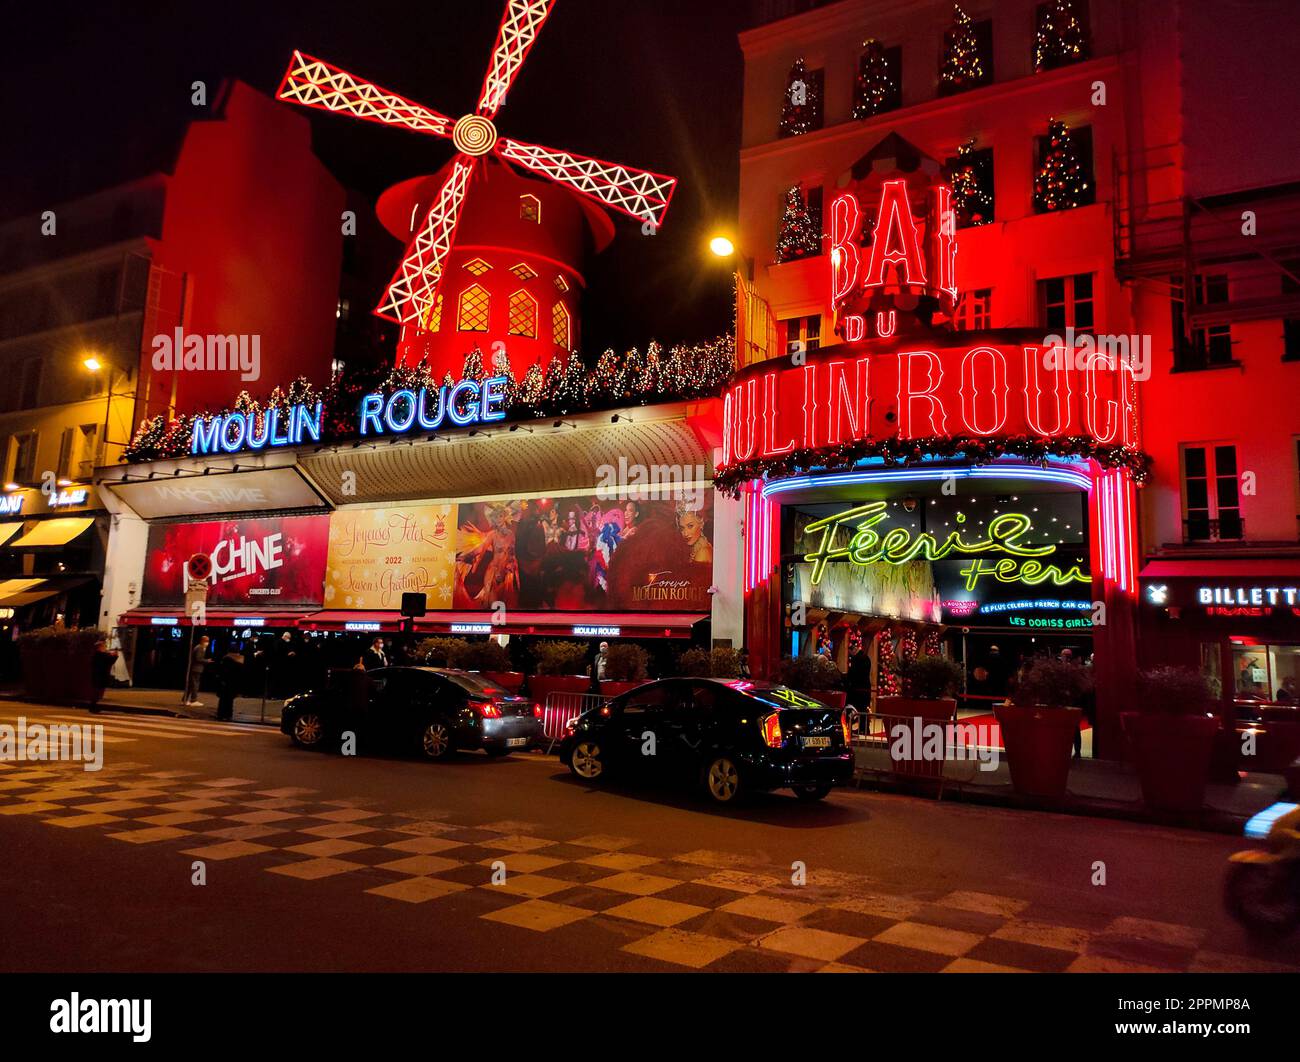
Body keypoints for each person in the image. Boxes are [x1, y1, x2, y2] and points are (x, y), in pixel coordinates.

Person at [88, 638, 117, 714]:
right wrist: (115, 656)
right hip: (101, 676)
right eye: (104, 646)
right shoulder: (101, 655)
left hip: (96, 675)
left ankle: (93, 706)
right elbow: (110, 661)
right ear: (100, 647)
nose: (105, 647)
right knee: (97, 692)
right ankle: (93, 707)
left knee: (96, 692)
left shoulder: (95, 655)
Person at [216, 649, 244, 722]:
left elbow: (222, 671)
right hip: (231, 683)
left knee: (224, 699)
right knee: (229, 700)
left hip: (226, 682)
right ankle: (227, 715)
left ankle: (222, 714)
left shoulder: (226, 659)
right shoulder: (238, 660)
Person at [185, 636, 210, 706]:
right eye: (206, 641)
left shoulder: (201, 647)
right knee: (195, 685)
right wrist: (207, 661)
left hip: (196, 668)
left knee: (192, 685)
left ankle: (186, 700)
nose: (207, 642)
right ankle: (193, 700)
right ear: (202, 640)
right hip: (196, 669)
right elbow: (198, 659)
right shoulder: (199, 648)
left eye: (208, 641)